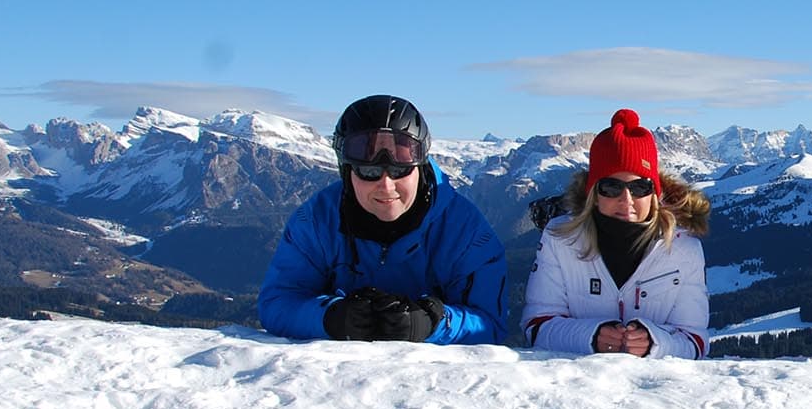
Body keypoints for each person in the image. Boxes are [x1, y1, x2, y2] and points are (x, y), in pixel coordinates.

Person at [258, 95, 508, 343]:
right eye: (369, 171)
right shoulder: (316, 221)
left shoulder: (464, 231)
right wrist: (331, 317)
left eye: (400, 170)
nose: (386, 185)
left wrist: (434, 323)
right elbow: (278, 302)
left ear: (420, 167)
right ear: (347, 171)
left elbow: (490, 324)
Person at [521, 109, 711, 357]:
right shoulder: (560, 239)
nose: (626, 199)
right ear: (593, 193)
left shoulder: (684, 248)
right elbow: (537, 326)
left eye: (640, 187)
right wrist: (591, 336)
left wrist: (654, 343)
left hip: (655, 382)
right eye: (611, 186)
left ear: (655, 193)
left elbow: (695, 341)